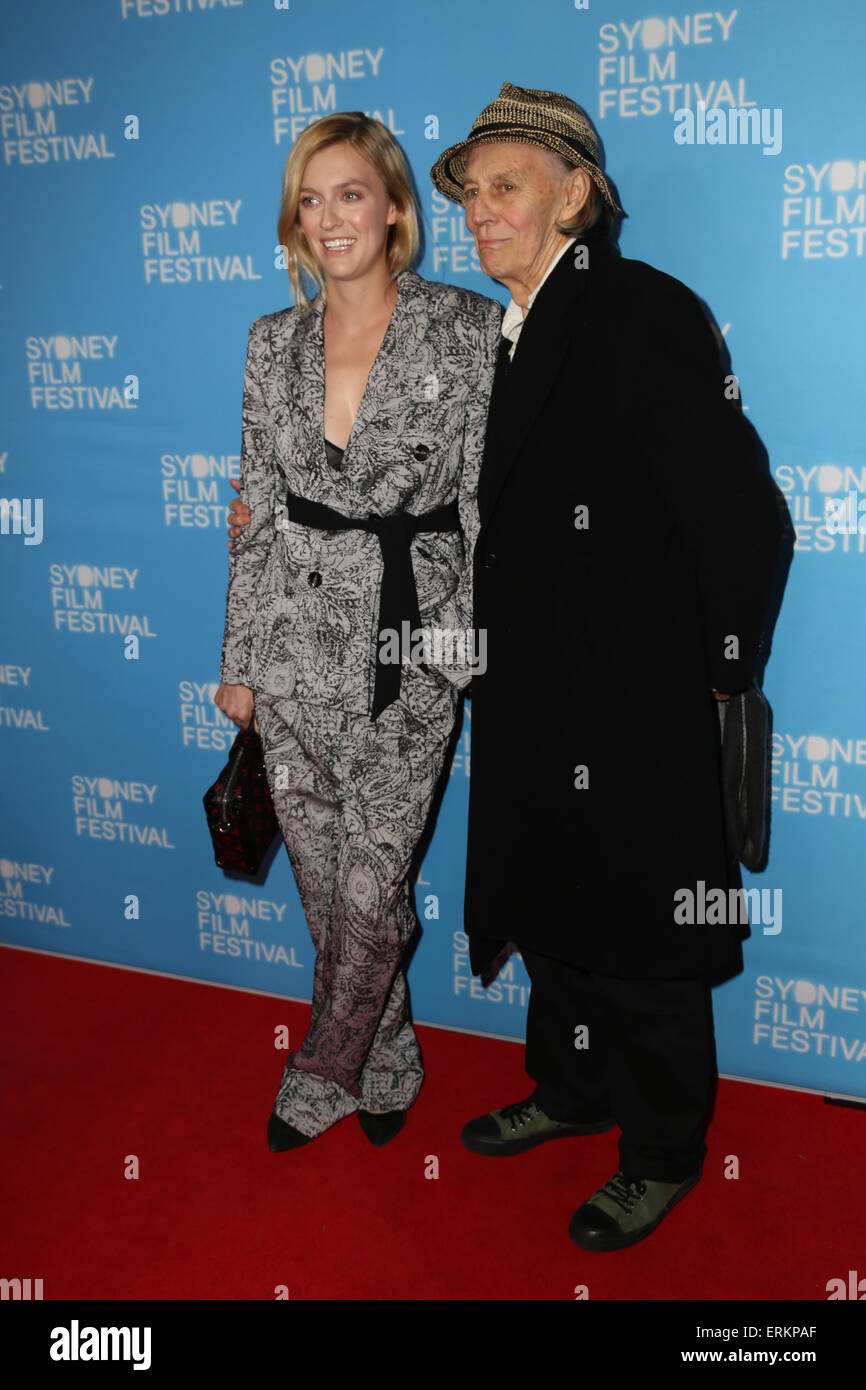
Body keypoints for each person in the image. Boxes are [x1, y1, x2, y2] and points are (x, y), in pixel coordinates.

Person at [426, 82, 790, 1250]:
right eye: (470, 193)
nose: (479, 214)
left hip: (635, 700)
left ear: (576, 192)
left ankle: (662, 1147)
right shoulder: (506, 332)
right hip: (532, 693)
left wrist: (718, 673)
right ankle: (574, 1088)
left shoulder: (643, 314)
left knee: (644, 933)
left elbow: (745, 518)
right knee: (553, 905)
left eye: (506, 188)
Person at [214, 112, 501, 1152]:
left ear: (391, 208)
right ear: (294, 220)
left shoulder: (467, 330)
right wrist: (238, 661)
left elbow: (484, 508)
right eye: (310, 197)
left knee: (375, 881)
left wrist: (455, 656)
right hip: (289, 646)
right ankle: (389, 1056)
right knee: (328, 886)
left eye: (349, 194)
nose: (329, 217)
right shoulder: (268, 341)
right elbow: (258, 509)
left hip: (408, 649)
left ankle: (320, 1067)